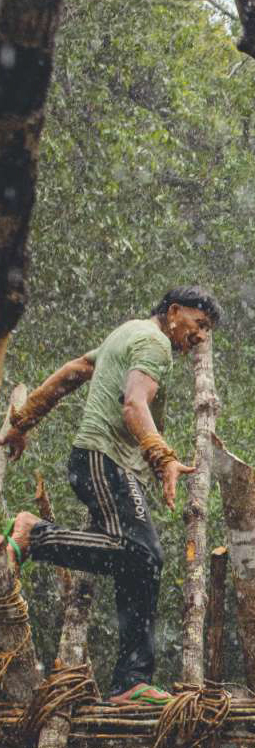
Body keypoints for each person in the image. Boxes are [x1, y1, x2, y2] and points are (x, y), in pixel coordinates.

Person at [4, 286, 221, 705]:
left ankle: (130, 683)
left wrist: (23, 419)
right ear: (174, 311)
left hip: (102, 464)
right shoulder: (155, 343)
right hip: (105, 463)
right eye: (198, 324)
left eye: (207, 330)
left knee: (138, 564)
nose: (200, 337)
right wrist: (164, 459)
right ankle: (33, 534)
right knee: (145, 555)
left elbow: (72, 372)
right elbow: (134, 405)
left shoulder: (127, 332)